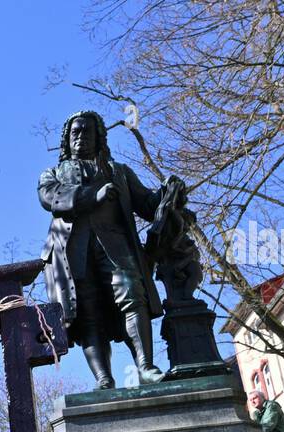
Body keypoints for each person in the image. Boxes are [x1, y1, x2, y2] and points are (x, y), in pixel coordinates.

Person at [39, 110, 183, 389]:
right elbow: (49, 197)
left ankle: (145, 366)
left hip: (116, 249)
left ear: (99, 137)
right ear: (67, 140)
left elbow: (147, 205)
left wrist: (167, 193)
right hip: (72, 254)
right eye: (75, 132)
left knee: (132, 294)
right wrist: (94, 195)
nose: (80, 137)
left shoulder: (120, 172)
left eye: (86, 131)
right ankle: (104, 379)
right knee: (87, 313)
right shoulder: (54, 173)